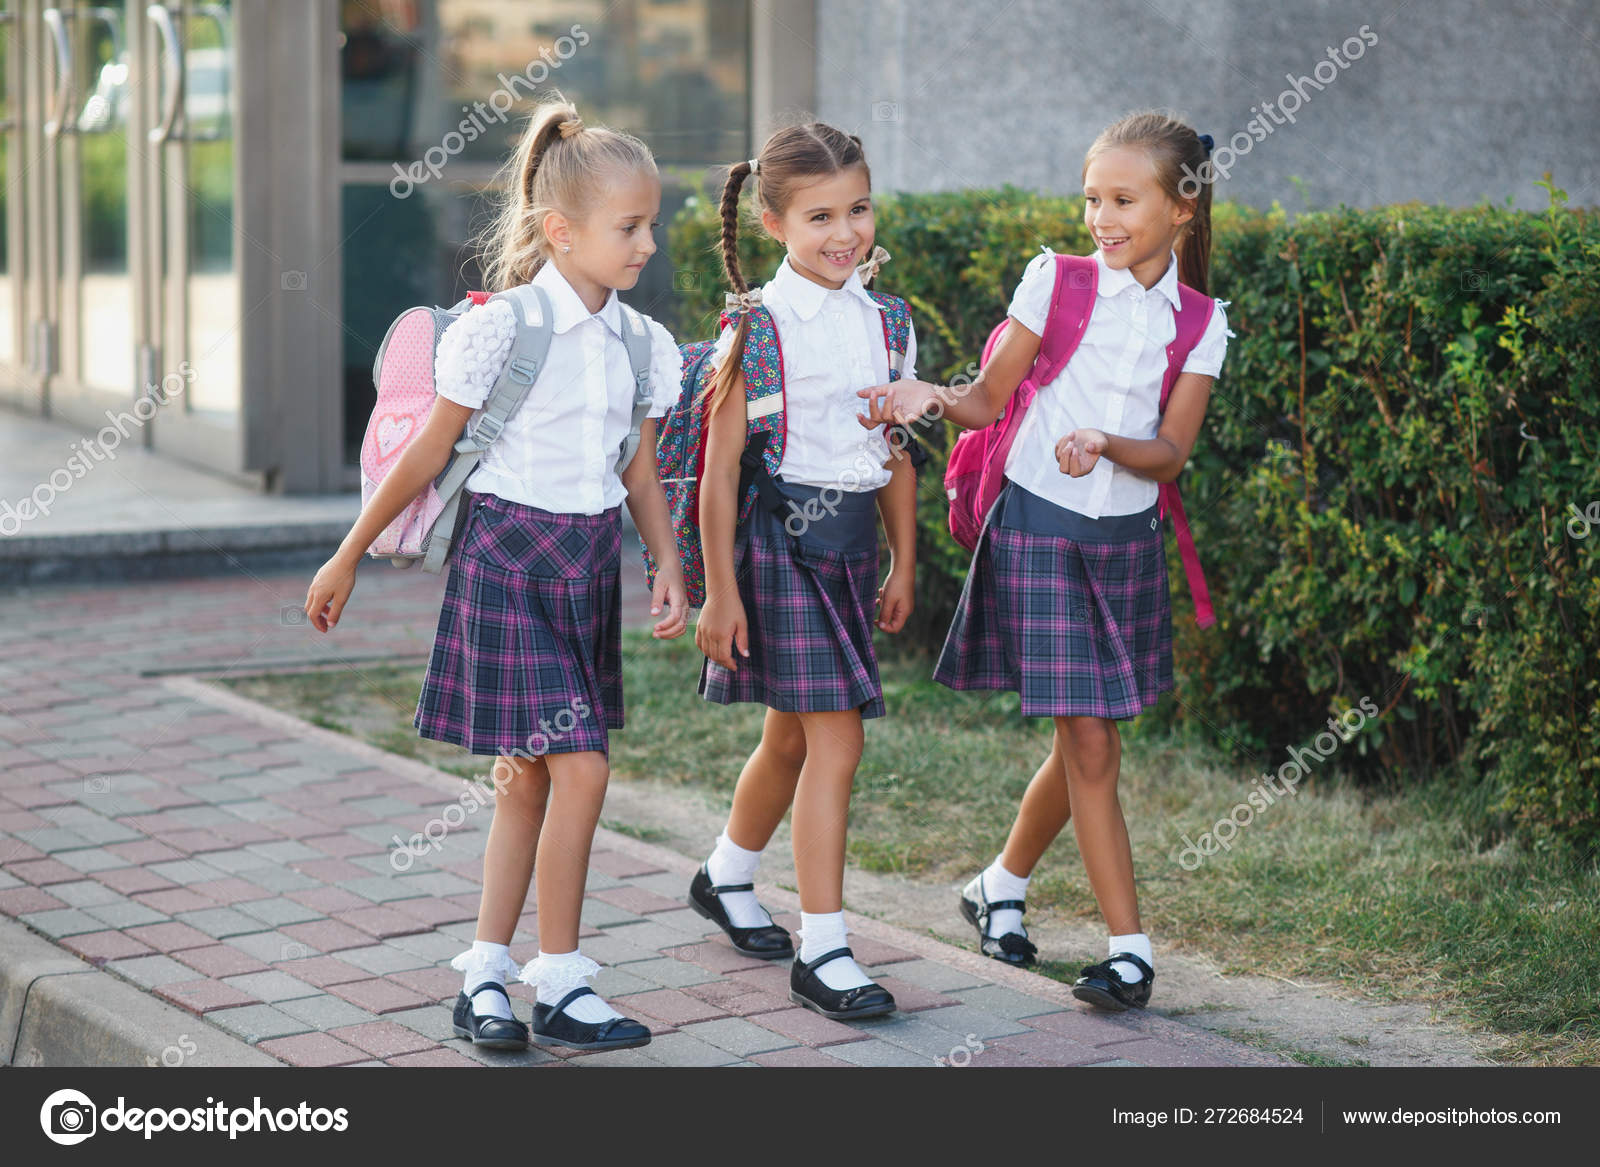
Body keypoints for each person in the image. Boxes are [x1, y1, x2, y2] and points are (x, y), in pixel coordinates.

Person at [304, 99, 689, 1049]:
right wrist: (348, 552)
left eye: (652, 223)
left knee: (524, 779)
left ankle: (485, 974)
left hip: (588, 567)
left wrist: (668, 561)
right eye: (629, 226)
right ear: (562, 231)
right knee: (581, 768)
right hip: (507, 564)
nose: (648, 242)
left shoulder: (643, 346)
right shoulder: (503, 328)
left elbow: (636, 469)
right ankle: (556, 980)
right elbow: (427, 456)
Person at [857, 111, 1232, 1010]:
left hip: (1124, 544)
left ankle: (1000, 884)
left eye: (1123, 199)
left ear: (1183, 207)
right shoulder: (1055, 280)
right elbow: (989, 398)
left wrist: (1105, 441)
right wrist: (927, 395)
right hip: (1036, 527)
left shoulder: (1204, 322)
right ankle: (1130, 952)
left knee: (1085, 739)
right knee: (1091, 737)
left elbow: (1171, 453)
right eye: (1091, 196)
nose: (1100, 217)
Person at [690, 122, 918, 1020]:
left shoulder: (888, 317)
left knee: (790, 735)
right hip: (781, 547)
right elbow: (717, 474)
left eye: (858, 209)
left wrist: (904, 556)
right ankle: (824, 950)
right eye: (820, 215)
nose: (845, 233)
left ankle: (725, 874)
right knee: (837, 739)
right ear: (776, 222)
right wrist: (720, 588)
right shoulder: (758, 325)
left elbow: (895, 446)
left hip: (854, 547)